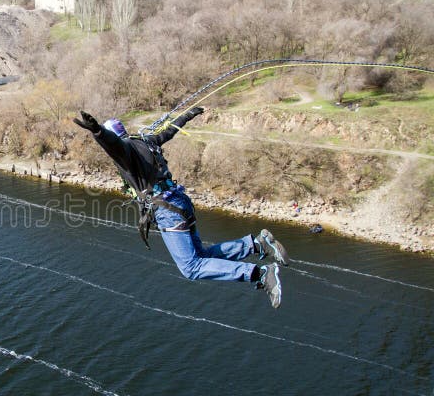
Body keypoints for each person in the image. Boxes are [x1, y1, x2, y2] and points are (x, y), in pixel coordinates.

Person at [73, 109, 289, 308]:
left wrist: (99, 132)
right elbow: (167, 132)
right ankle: (256, 245)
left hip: (168, 211)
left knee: (191, 268)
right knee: (201, 255)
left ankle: (260, 273)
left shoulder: (125, 152)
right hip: (178, 201)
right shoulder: (146, 141)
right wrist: (186, 116)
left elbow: (114, 145)